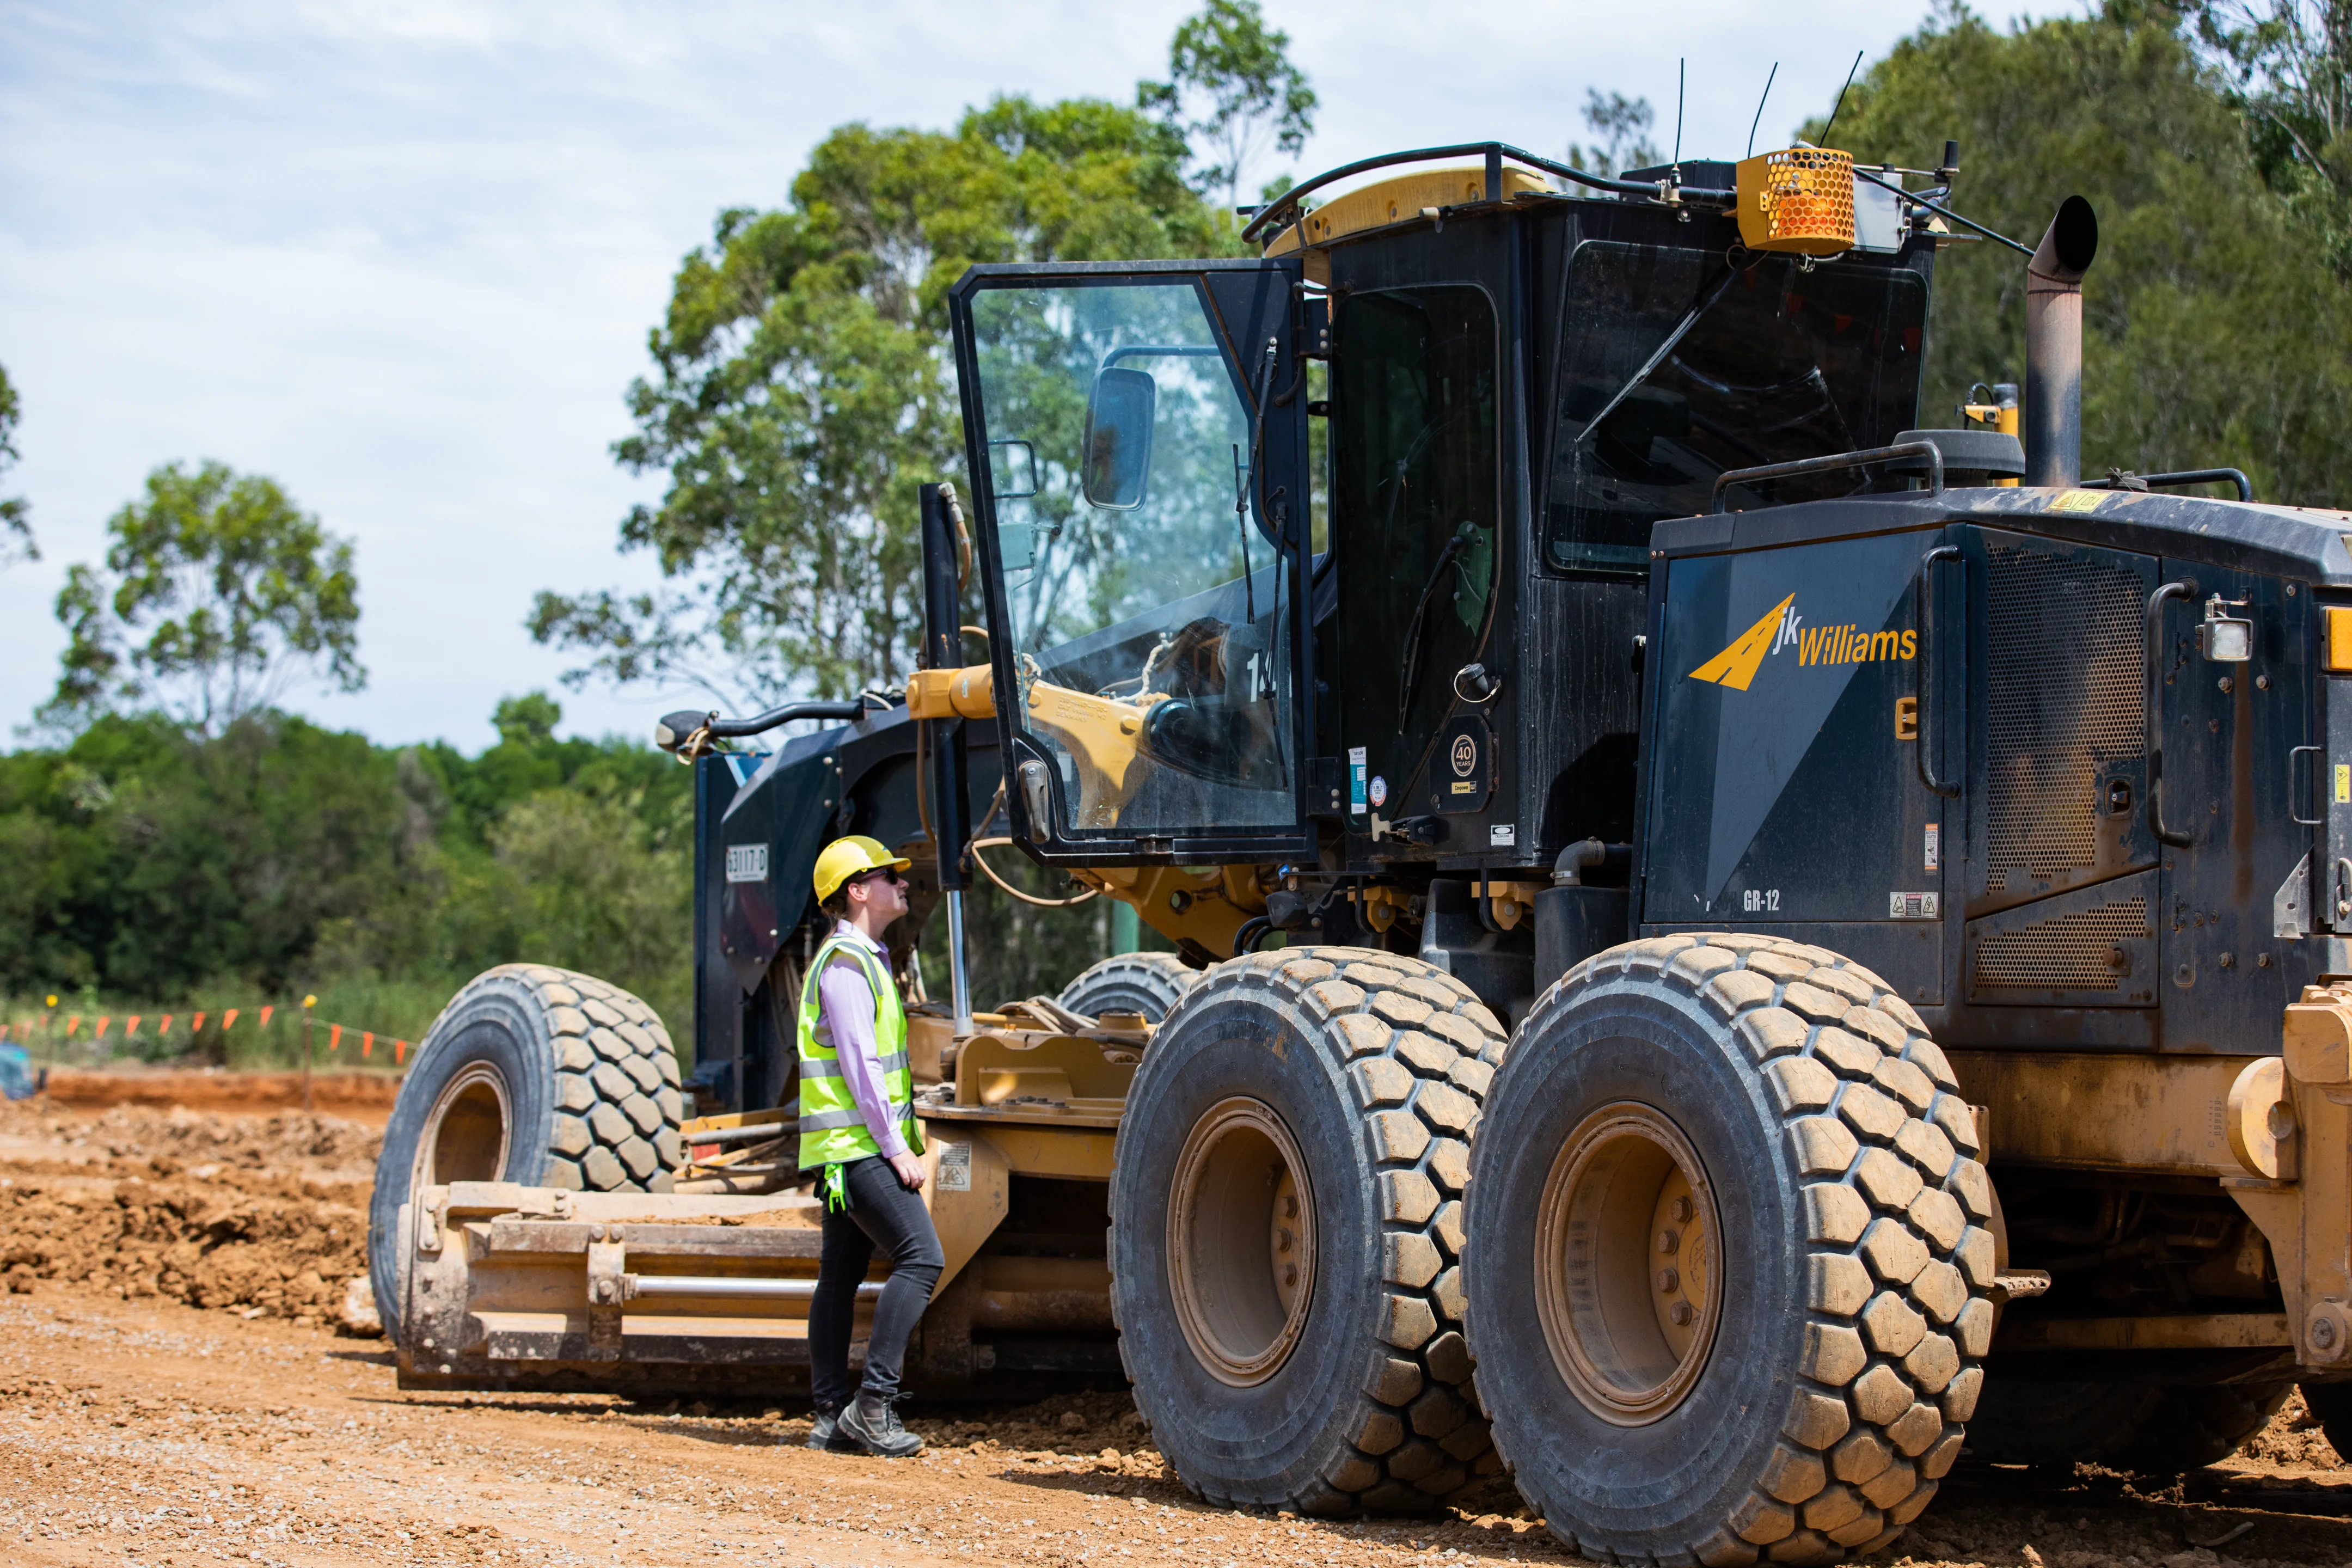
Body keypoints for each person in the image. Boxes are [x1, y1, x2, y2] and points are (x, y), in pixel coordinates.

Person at [799, 834, 944, 1459]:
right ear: (857, 891)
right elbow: (860, 1064)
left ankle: (831, 1414)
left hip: (843, 1150)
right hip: (857, 1148)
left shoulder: (865, 959)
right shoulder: (846, 966)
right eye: (889, 876)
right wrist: (895, 1149)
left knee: (841, 1277)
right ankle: (873, 1407)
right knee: (922, 1258)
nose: (903, 883)